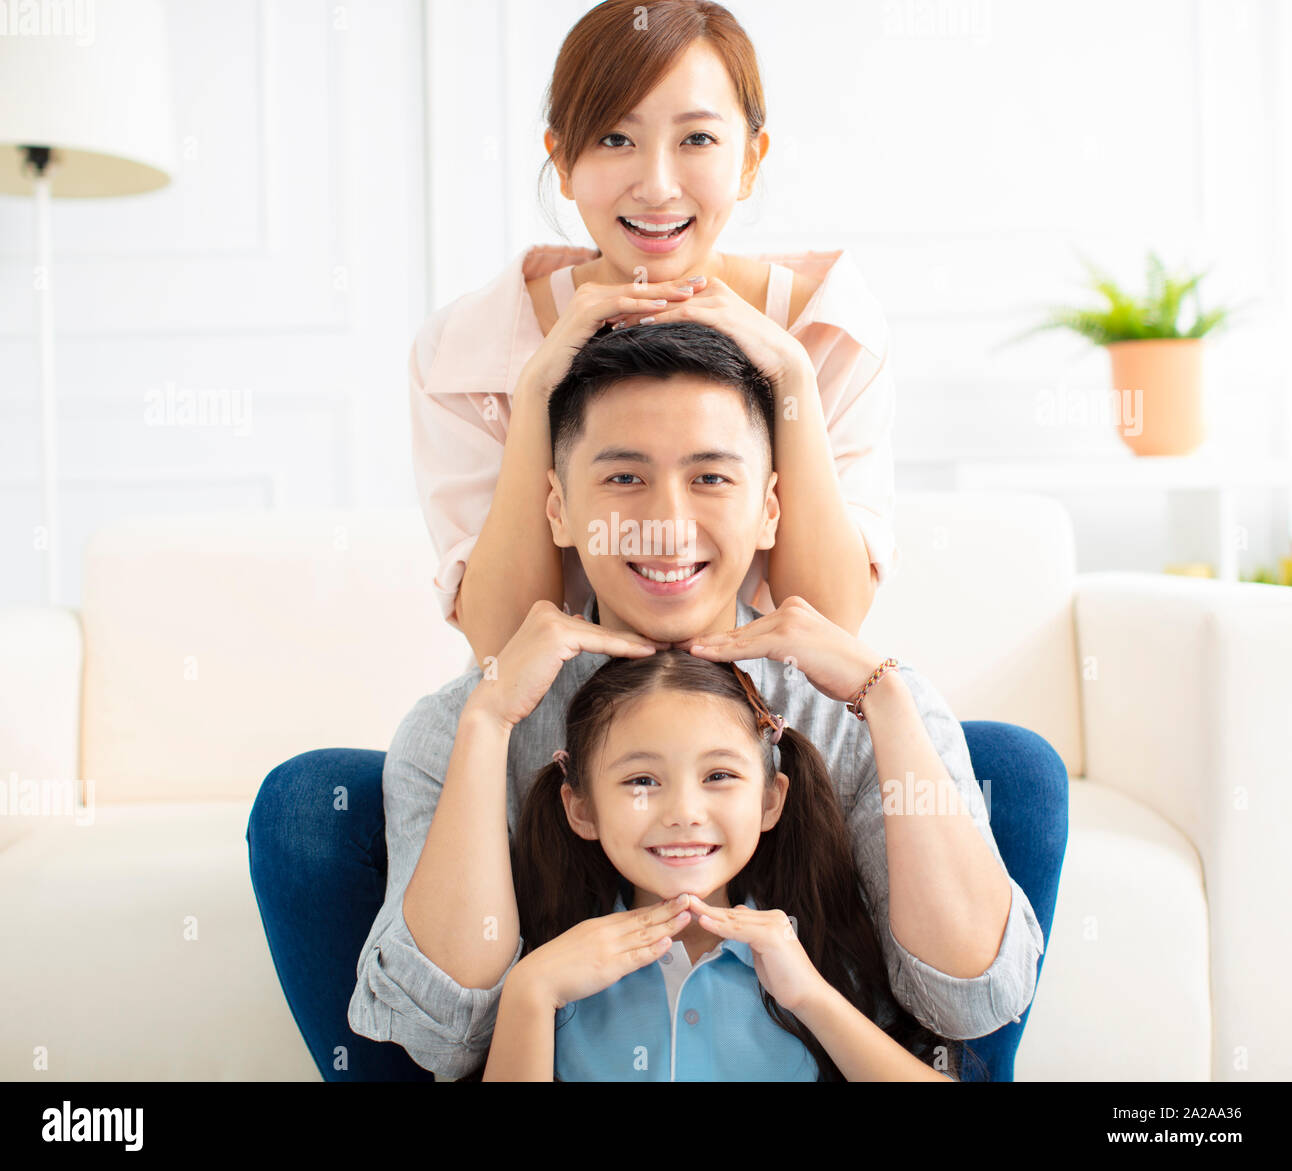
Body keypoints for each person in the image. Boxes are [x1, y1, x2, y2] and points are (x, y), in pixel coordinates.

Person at [340, 320, 1046, 1081]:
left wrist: (886, 697)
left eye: (710, 477)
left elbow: (969, 1002)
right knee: (312, 797)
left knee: (1018, 765)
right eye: (622, 478)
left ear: (770, 508)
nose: (669, 524)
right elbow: (441, 1036)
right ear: (559, 510)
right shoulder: (469, 720)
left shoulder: (851, 705)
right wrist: (486, 721)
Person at [415, 0, 901, 665]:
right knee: (310, 776)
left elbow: (827, 626)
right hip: (558, 732)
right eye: (616, 139)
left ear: (751, 159)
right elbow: (503, 648)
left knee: (1014, 761)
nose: (657, 186)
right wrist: (535, 393)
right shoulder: (471, 346)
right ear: (561, 160)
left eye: (697, 139)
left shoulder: (827, 328)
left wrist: (789, 373)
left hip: (760, 732)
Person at [476, 639, 990, 1081]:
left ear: (770, 801)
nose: (684, 813)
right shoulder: (554, 974)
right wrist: (531, 991)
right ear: (581, 808)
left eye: (718, 776)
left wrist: (812, 998)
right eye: (642, 781)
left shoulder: (819, 958)